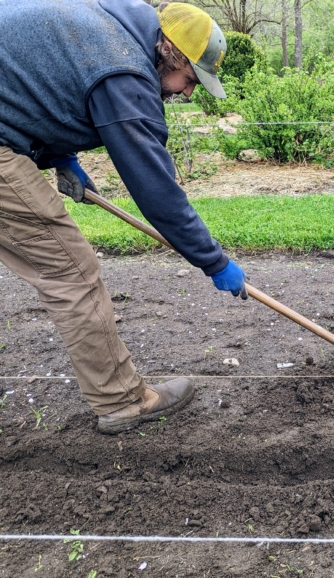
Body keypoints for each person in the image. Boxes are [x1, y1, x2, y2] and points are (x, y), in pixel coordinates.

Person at [0, 0, 249, 434]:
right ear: (169, 51)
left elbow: (34, 79)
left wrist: (59, 155)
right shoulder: (125, 72)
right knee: (71, 273)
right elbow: (156, 190)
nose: (188, 93)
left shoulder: (114, 23)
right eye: (189, 79)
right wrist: (213, 261)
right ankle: (122, 401)